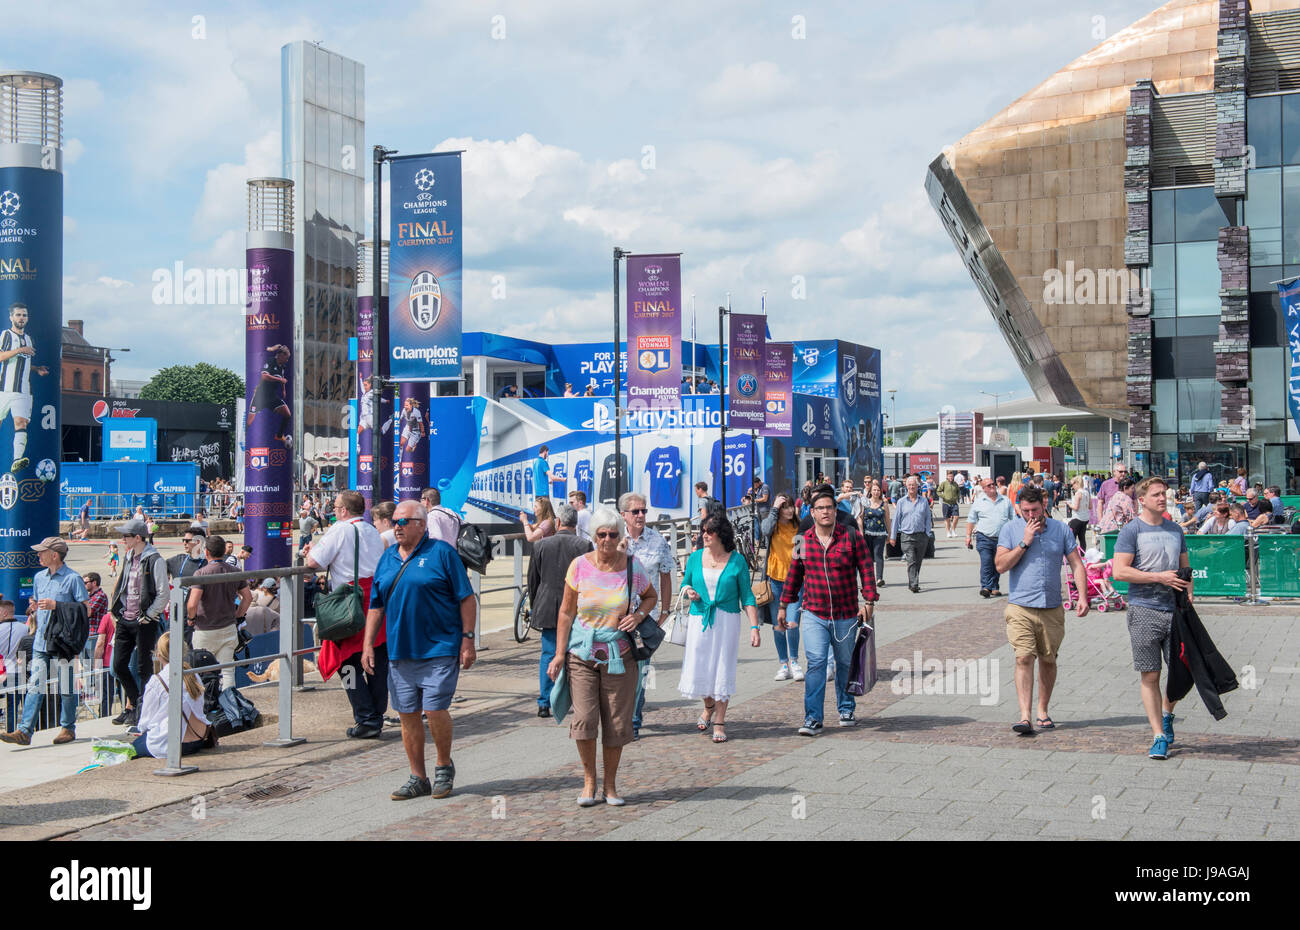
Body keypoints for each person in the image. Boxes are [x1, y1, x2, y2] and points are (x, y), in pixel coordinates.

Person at [363, 501, 477, 800]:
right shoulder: (387, 558)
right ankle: (418, 777)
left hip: (440, 647)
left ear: (422, 524)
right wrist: (367, 645)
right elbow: (376, 605)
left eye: (403, 521)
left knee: (434, 708)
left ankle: (443, 766)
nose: (396, 526)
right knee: (407, 714)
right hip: (400, 650)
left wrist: (467, 639)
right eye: (394, 521)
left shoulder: (442, 554)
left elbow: (466, 599)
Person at [547, 508, 656, 804]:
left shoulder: (633, 567)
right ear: (593, 536)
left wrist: (638, 615)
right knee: (584, 719)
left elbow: (651, 596)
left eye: (612, 534)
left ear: (620, 536)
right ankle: (588, 781)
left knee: (617, 723)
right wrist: (558, 654)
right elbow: (567, 611)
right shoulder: (579, 566)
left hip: (619, 655)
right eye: (601, 534)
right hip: (582, 653)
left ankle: (610, 785)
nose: (607, 540)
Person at [778, 484, 877, 735]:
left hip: (845, 614)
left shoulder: (851, 536)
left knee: (844, 662)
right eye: (820, 508)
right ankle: (813, 717)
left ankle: (846, 708)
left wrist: (869, 600)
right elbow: (794, 575)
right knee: (816, 663)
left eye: (829, 508)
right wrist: (784, 605)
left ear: (835, 510)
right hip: (813, 612)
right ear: (811, 512)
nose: (825, 512)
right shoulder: (802, 540)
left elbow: (866, 568)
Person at [994, 487, 1088, 734]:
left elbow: (1076, 564)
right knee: (1023, 657)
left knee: (1048, 659)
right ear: (1019, 508)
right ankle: (1024, 716)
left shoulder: (1061, 530)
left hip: (1051, 606)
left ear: (1044, 504)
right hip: (1020, 606)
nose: (1030, 515)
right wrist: (1025, 541)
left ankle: (1042, 710)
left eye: (1034, 510)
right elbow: (1001, 565)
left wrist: (1083, 596)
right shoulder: (1011, 529)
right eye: (1025, 510)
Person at [1111, 477, 1191, 760]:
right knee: (1151, 674)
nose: (1162, 498)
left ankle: (1167, 712)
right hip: (1144, 608)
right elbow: (1119, 572)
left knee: (1182, 672)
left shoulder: (1175, 529)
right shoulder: (1131, 530)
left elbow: (1185, 568)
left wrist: (1189, 597)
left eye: (1164, 494)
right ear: (1142, 500)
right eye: (1156, 494)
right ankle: (1158, 734)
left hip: (1175, 612)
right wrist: (1158, 577)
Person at [306, 490, 388, 739]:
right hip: (375, 598)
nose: (333, 509)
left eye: (336, 506)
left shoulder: (340, 530)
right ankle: (376, 715)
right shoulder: (371, 531)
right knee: (377, 657)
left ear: (343, 510)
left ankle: (365, 716)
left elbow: (314, 562)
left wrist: (308, 551)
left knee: (345, 662)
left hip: (351, 603)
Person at [677, 513, 759, 743]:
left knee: (722, 667)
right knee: (700, 667)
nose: (704, 535)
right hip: (699, 620)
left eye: (709, 531)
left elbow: (748, 596)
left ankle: (720, 721)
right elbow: (685, 583)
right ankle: (708, 706)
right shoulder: (694, 558)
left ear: (721, 534)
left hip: (726, 621)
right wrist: (689, 591)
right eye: (703, 530)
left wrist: (754, 626)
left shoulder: (737, 561)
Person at [0, 537, 89, 745]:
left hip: (62, 642)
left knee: (66, 687)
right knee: (35, 684)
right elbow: (39, 608)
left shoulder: (73, 579)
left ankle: (68, 727)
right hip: (41, 640)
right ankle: (25, 731)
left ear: (54, 555)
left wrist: (56, 605)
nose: (38, 555)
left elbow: (86, 609)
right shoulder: (39, 577)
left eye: (42, 552)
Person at [527, 504, 592, 718]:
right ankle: (575, 696)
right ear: (576, 523)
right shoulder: (585, 545)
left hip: (547, 605)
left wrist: (535, 604)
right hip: (577, 607)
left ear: (558, 523)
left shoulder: (541, 546)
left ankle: (545, 701)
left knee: (549, 653)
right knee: (577, 652)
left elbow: (533, 580)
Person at [619, 492, 674, 738]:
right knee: (618, 670)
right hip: (616, 617)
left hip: (645, 617)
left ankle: (633, 720)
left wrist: (664, 609)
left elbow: (665, 574)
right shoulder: (612, 539)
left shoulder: (657, 541)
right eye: (636, 512)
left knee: (642, 669)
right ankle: (619, 716)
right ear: (624, 515)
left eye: (643, 511)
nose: (641, 515)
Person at [105, 518, 170, 729]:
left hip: (144, 621)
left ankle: (142, 709)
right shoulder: (128, 556)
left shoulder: (154, 560)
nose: (123, 539)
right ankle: (134, 703)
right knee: (118, 666)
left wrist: (150, 614)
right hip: (125, 618)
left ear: (138, 538)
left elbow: (163, 593)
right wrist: (116, 610)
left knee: (144, 669)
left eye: (126, 536)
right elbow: (123, 583)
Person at [186, 535, 252, 691]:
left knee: (201, 671)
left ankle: (204, 706)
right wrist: (238, 616)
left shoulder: (201, 574)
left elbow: (192, 604)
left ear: (206, 552)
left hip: (205, 628)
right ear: (224, 551)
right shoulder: (235, 571)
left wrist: (191, 618)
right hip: (228, 627)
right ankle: (229, 703)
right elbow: (247, 598)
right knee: (228, 671)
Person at [130, 632, 211, 759]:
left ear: (159, 654)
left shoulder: (157, 681)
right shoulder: (193, 675)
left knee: (131, 750)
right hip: (198, 738)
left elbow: (145, 721)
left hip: (173, 743)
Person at [0, 302, 50, 474]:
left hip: (23, 390)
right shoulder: (6, 335)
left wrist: (36, 369)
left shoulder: (28, 339)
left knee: (21, 422)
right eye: (18, 315)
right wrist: (20, 349)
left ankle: (17, 460)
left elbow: (23, 362)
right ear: (11, 317)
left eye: (24, 315)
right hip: (4, 390)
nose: (21, 318)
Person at [761, 493, 804, 681]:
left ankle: (794, 661)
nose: (788, 510)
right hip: (775, 580)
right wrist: (774, 509)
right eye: (784, 507)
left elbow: (803, 554)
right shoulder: (773, 525)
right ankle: (783, 664)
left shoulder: (799, 527)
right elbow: (764, 530)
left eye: (789, 506)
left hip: (795, 582)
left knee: (792, 623)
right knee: (779, 625)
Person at [965, 477, 1014, 598]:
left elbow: (1013, 518)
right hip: (984, 537)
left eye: (993, 484)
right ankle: (986, 587)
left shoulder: (1005, 500)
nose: (992, 486)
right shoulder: (979, 501)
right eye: (989, 485)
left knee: (997, 563)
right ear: (984, 489)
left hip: (1002, 538)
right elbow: (971, 520)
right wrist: (968, 536)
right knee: (987, 562)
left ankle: (994, 587)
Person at [890, 475, 933, 593]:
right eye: (909, 485)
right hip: (906, 536)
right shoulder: (901, 502)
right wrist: (892, 537)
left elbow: (927, 518)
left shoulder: (923, 501)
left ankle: (912, 581)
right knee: (911, 560)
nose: (911, 487)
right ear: (906, 486)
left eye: (913, 485)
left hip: (921, 536)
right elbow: (896, 520)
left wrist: (928, 533)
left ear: (917, 486)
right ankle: (914, 584)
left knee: (918, 561)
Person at [246, 344, 292, 445]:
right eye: (287, 358)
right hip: (260, 396)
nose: (287, 360)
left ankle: (279, 436)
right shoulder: (271, 361)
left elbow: (282, 378)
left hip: (272, 397)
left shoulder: (282, 367)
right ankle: (245, 438)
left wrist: (283, 390)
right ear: (281, 355)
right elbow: (264, 376)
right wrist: (280, 379)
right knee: (249, 422)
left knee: (287, 414)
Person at [859, 482, 891, 588]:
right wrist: (861, 533)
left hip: (880, 533)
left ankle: (879, 578)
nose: (876, 492)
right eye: (874, 490)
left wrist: (889, 534)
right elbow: (861, 518)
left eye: (878, 490)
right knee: (868, 557)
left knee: (878, 555)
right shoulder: (865, 503)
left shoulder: (884, 503)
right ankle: (869, 578)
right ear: (870, 492)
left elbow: (887, 519)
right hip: (867, 533)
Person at [1066, 475, 1091, 550]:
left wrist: (1069, 504)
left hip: (1077, 518)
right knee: (1082, 538)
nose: (1072, 487)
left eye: (1072, 485)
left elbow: (1076, 508)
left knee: (1071, 538)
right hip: (1085, 518)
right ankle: (1083, 555)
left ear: (1076, 483)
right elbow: (1090, 506)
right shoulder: (1087, 492)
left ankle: (1072, 555)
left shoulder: (1078, 494)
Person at [936, 471, 962, 538]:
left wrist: (957, 496)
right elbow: (938, 491)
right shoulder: (944, 483)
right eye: (949, 476)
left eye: (952, 476)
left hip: (954, 503)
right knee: (947, 519)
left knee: (956, 517)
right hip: (946, 503)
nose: (951, 477)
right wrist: (943, 496)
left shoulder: (955, 484)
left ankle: (953, 530)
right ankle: (948, 532)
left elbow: (958, 491)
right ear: (947, 477)